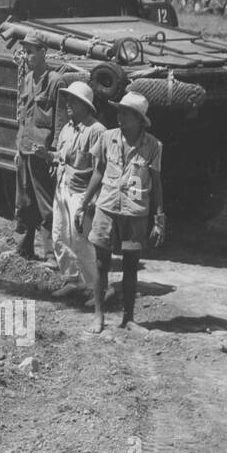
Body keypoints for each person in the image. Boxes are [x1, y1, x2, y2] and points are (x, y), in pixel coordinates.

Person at [78, 91, 166, 333]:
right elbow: (98, 172)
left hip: (135, 214)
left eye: (126, 113)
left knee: (130, 265)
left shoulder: (153, 146)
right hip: (106, 209)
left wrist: (159, 219)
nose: (120, 116)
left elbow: (156, 184)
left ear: (139, 119)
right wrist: (84, 203)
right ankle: (98, 316)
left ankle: (129, 318)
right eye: (120, 111)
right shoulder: (107, 138)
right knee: (100, 263)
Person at [12, 31, 67, 259]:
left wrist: (54, 154)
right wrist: (17, 149)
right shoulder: (27, 79)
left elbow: (60, 122)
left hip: (43, 153)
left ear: (44, 52)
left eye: (31, 51)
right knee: (23, 203)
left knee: (46, 207)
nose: (26, 56)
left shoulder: (55, 81)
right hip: (25, 150)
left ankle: (52, 256)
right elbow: (22, 117)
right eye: (24, 51)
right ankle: (22, 248)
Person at [51, 81, 106, 291]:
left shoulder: (96, 131)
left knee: (81, 240)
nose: (68, 104)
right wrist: (48, 156)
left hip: (82, 193)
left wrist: (90, 201)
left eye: (74, 100)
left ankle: (95, 287)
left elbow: (99, 170)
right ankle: (71, 279)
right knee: (60, 235)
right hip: (62, 188)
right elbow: (61, 157)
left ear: (85, 105)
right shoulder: (67, 128)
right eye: (68, 99)